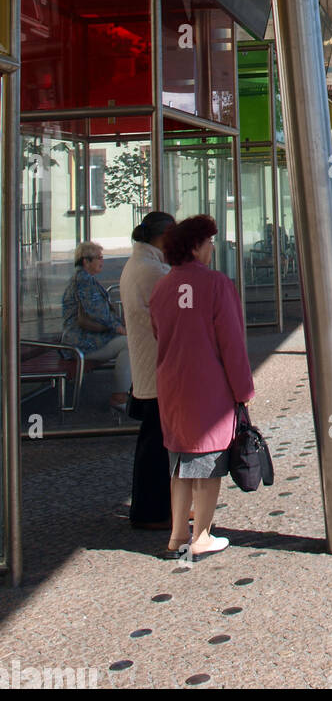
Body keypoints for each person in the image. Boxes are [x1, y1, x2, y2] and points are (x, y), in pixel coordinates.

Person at [150, 215, 254, 560]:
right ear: (196, 246)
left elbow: (158, 334)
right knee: (208, 466)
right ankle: (202, 536)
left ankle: (178, 534)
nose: (212, 247)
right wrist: (244, 391)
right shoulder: (216, 284)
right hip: (208, 390)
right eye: (209, 242)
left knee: (179, 464)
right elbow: (232, 344)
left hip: (172, 387)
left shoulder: (162, 288)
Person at [119, 212, 176, 531]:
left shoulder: (142, 264)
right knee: (156, 445)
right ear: (164, 236)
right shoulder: (151, 270)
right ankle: (151, 511)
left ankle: (154, 508)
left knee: (154, 441)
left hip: (149, 367)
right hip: (157, 368)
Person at [62, 241, 131, 411]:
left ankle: (124, 391)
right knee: (129, 344)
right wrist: (119, 327)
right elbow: (97, 312)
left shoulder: (84, 278)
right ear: (86, 261)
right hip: (81, 342)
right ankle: (119, 396)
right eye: (99, 258)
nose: (102, 261)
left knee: (129, 343)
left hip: (86, 338)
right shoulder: (84, 280)